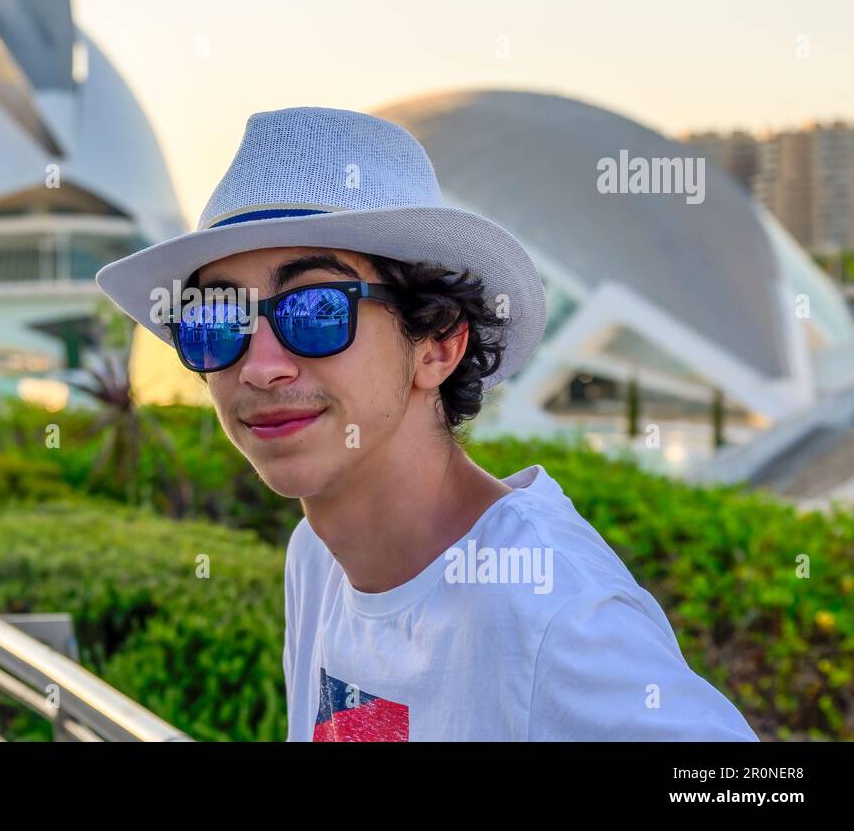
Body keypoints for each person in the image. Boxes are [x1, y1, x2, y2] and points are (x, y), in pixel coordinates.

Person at [95, 106, 757, 741]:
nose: (261, 367)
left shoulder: (549, 608)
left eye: (318, 309)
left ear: (437, 345)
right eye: (218, 322)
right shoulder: (318, 560)